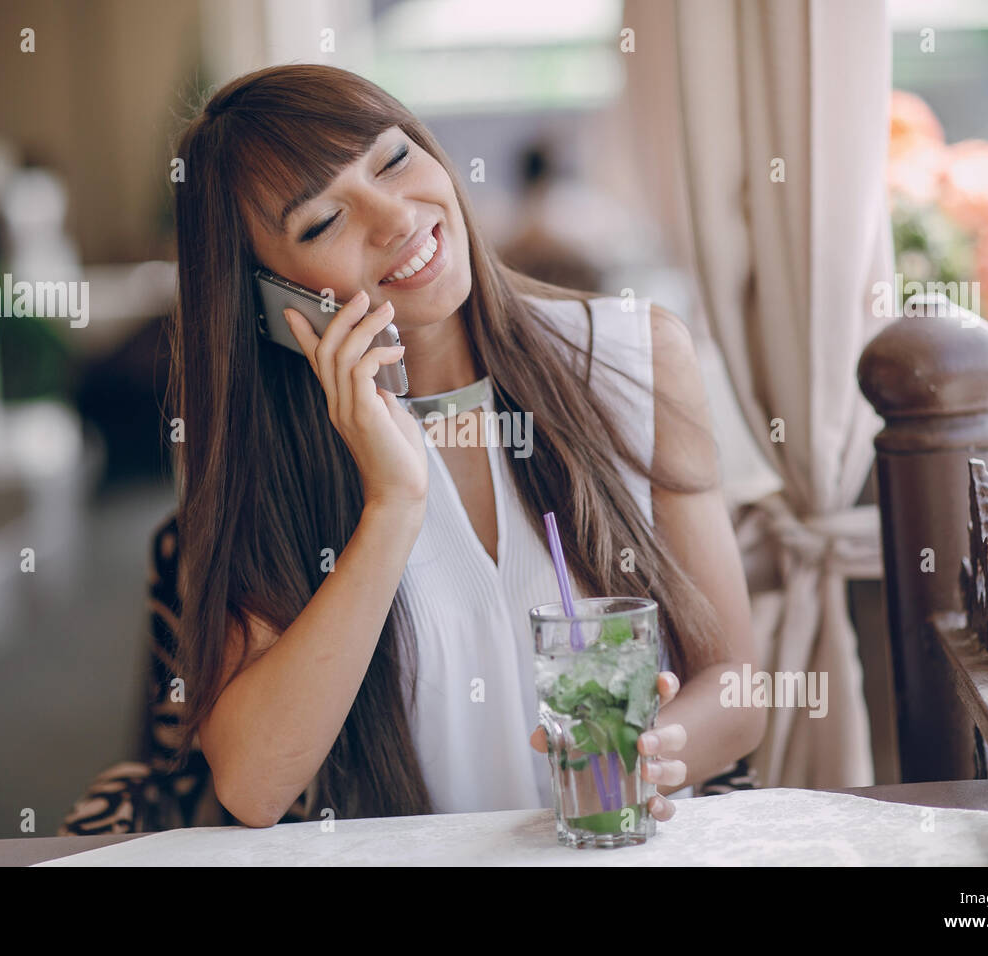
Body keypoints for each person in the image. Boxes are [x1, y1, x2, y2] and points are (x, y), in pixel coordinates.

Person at [167, 63, 763, 828]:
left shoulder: (634, 359)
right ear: (268, 298)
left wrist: (653, 752)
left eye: (394, 160)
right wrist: (393, 504)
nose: (394, 219)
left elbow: (737, 683)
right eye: (322, 223)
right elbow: (254, 784)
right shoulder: (276, 461)